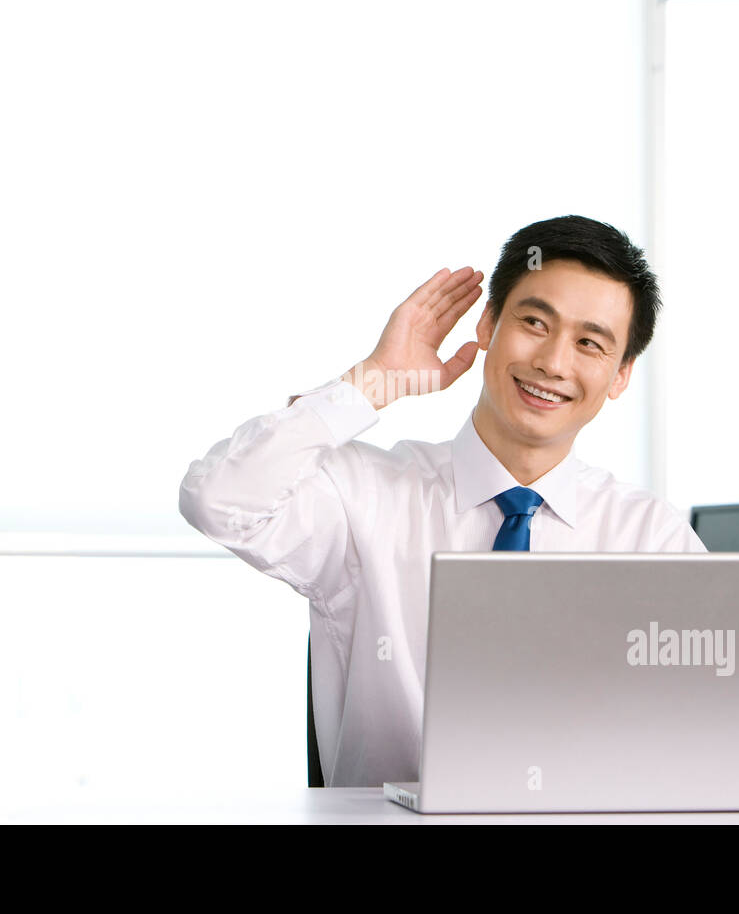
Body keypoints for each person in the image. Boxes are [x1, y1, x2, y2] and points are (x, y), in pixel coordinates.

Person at [178, 214, 706, 787]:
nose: (553, 363)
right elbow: (219, 501)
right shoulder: (368, 496)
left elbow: (706, 727)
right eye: (534, 321)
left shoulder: (649, 538)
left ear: (621, 375)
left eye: (589, 343)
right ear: (487, 324)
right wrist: (375, 380)